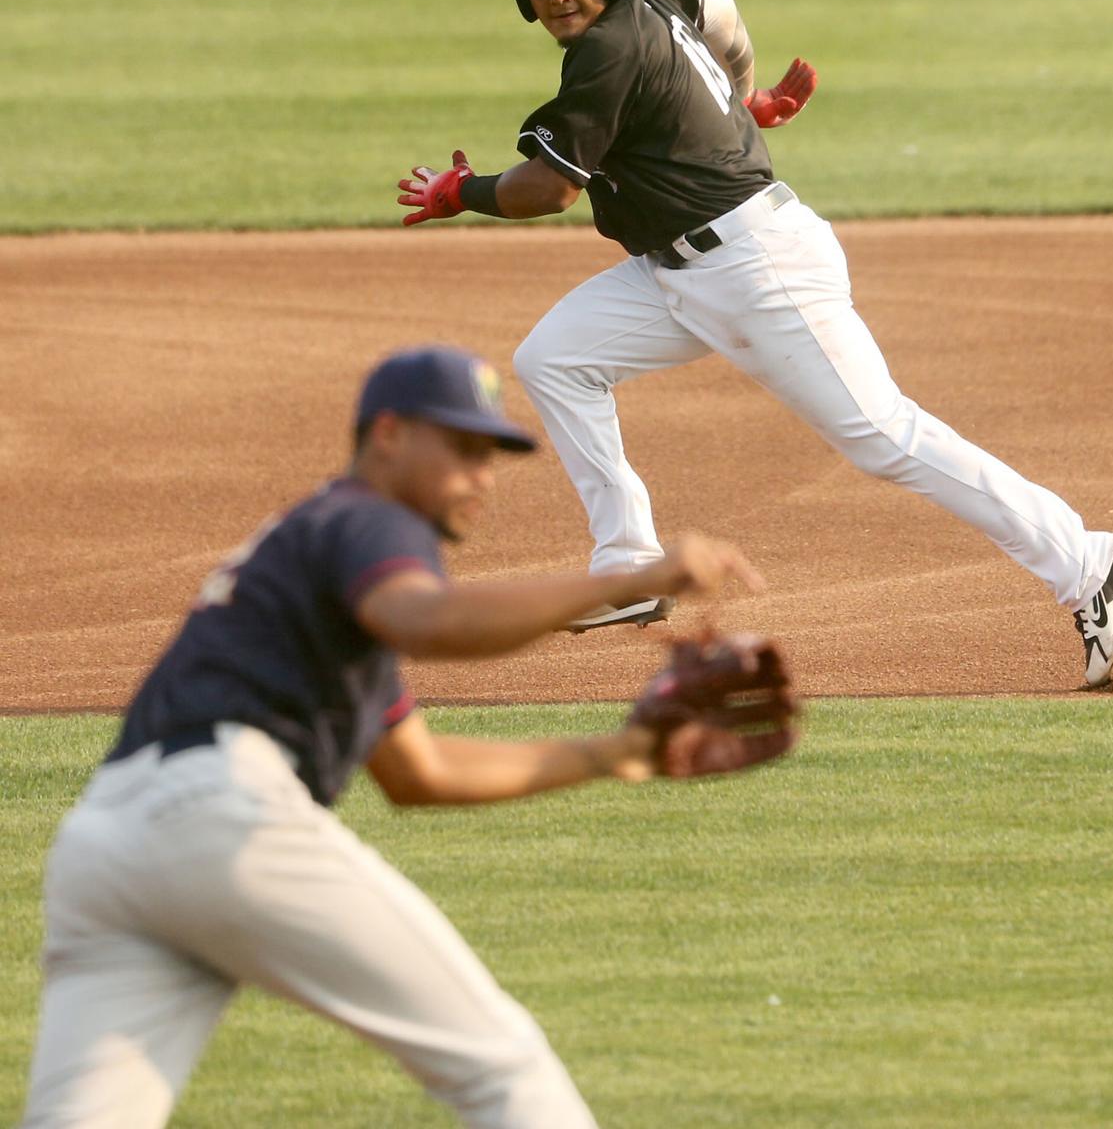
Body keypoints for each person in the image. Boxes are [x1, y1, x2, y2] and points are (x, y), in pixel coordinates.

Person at [19, 345, 789, 1129]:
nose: (482, 474)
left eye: (490, 453)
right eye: (460, 448)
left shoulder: (315, 555)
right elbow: (427, 619)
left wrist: (612, 753)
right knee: (502, 1066)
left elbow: (419, 770)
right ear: (386, 433)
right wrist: (636, 579)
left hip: (105, 849)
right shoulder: (369, 522)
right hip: (219, 821)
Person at [395, 0, 1113, 685]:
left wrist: (458, 192)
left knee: (884, 437)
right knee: (555, 358)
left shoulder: (605, 50)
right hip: (679, 270)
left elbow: (548, 189)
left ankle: (1084, 561)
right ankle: (627, 567)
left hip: (759, 268)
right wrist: (743, 94)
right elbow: (721, 9)